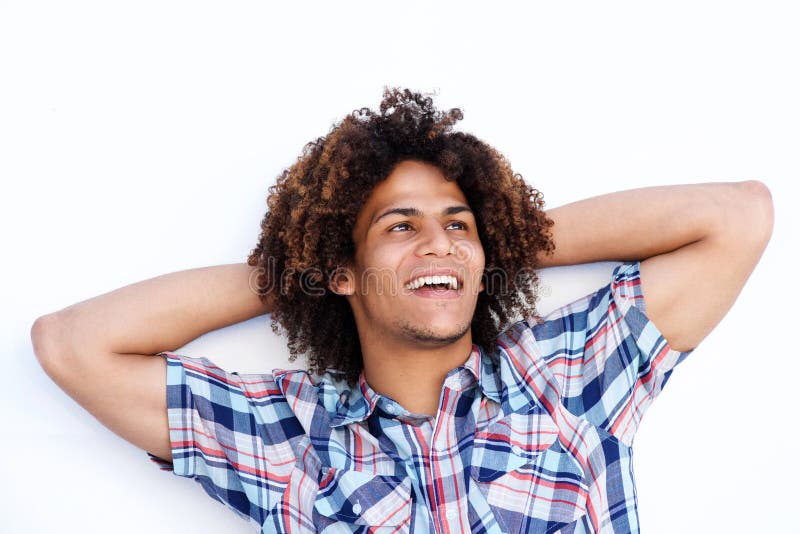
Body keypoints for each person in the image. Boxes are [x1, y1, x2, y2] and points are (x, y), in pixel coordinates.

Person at [31, 88, 773, 533]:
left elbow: (740, 216)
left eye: (457, 224)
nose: (438, 244)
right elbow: (71, 345)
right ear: (342, 271)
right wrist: (307, 263)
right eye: (400, 227)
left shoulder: (570, 378)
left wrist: (502, 239)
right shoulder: (289, 441)